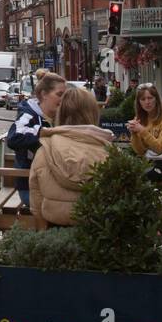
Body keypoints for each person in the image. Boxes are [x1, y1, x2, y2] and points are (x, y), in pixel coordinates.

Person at [30, 86, 114, 227]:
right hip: (97, 228)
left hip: (54, 226)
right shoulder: (108, 150)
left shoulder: (46, 148)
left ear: (61, 113)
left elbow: (36, 196)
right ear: (93, 112)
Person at [6, 72, 67, 215]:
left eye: (66, 96)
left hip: (58, 184)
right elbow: (13, 138)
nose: (63, 100)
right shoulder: (29, 115)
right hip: (31, 186)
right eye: (59, 95)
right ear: (44, 94)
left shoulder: (62, 116)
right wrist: (42, 132)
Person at [127, 83, 162, 182]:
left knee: (145, 177)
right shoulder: (140, 119)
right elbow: (140, 151)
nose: (147, 102)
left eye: (150, 98)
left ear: (156, 99)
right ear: (139, 103)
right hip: (149, 161)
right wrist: (134, 134)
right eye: (143, 99)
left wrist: (142, 131)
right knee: (128, 175)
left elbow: (160, 148)